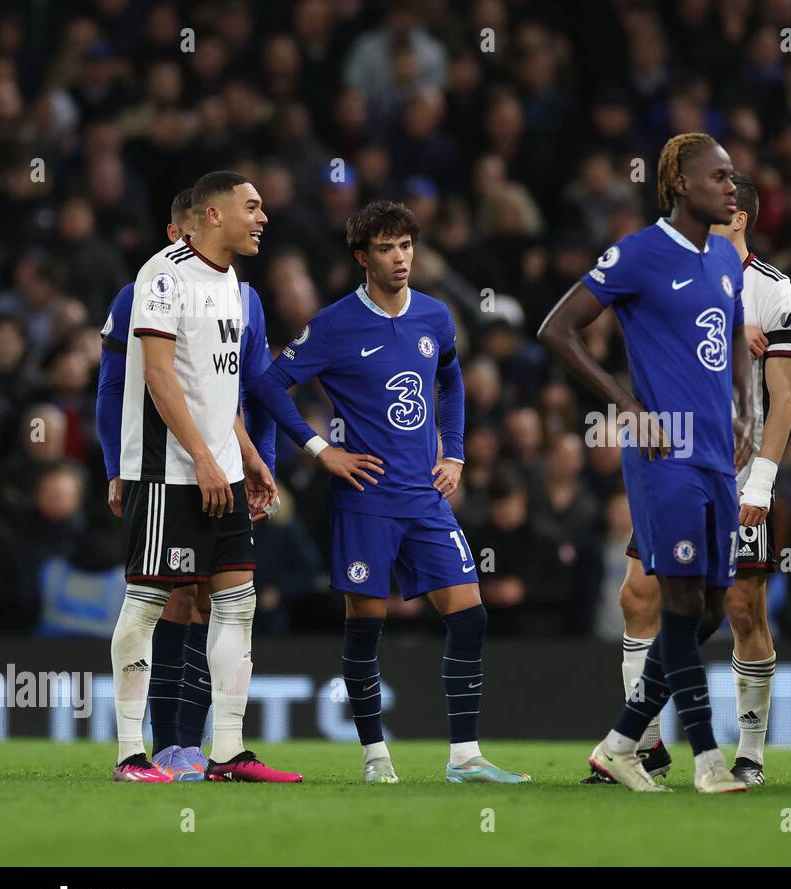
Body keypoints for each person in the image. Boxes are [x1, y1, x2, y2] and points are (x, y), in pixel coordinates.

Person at [251, 199, 528, 785]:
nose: (400, 258)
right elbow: (271, 384)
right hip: (366, 496)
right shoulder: (333, 324)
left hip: (424, 497)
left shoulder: (435, 315)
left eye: (406, 245)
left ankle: (465, 757)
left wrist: (453, 451)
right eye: (386, 248)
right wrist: (320, 449)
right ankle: (376, 755)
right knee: (365, 627)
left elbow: (451, 381)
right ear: (362, 258)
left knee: (470, 617)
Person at [538, 132, 755, 794]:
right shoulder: (637, 254)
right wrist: (626, 404)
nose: (731, 187)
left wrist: (746, 404)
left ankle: (619, 744)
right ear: (682, 184)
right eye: (718, 176)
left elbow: (738, 335)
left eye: (733, 176)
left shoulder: (722, 257)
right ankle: (708, 760)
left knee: (713, 608)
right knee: (682, 601)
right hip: (667, 452)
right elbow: (557, 328)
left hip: (718, 452)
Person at [584, 172, 791, 787]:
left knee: (739, 604)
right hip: (672, 461)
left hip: (736, 471)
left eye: (730, 206)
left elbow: (782, 400)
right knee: (638, 595)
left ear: (741, 222)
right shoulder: (668, 264)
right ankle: (643, 743)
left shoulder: (770, 289)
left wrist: (760, 481)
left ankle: (748, 754)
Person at [109, 170, 293, 783]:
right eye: (252, 206)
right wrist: (206, 459)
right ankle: (131, 755)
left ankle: (228, 752)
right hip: (167, 473)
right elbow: (159, 376)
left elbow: (219, 392)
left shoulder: (233, 283)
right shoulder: (161, 275)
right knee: (147, 603)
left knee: (237, 606)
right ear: (213, 216)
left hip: (223, 472)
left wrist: (248, 454)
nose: (263, 217)